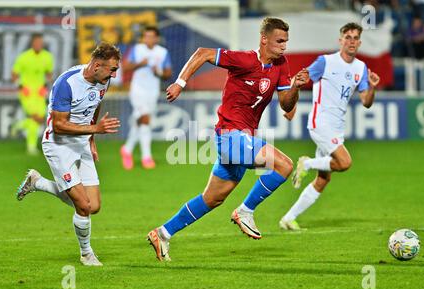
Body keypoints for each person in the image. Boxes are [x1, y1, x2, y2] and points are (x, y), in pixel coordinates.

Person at [147, 17, 308, 261]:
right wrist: (180, 83)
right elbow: (202, 53)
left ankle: (163, 233)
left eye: (286, 41)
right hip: (230, 136)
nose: (284, 46)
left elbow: (287, 104)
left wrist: (295, 86)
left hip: (241, 138)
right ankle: (245, 211)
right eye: (279, 41)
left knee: (212, 199)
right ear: (264, 39)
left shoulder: (281, 64)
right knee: (284, 165)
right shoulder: (244, 59)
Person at [15, 43, 121, 266]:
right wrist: (95, 130)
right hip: (59, 146)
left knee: (94, 206)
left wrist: (91, 140)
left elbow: (95, 105)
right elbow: (59, 126)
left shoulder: (104, 80)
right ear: (96, 65)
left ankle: (38, 183)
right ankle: (86, 254)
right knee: (83, 206)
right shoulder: (67, 84)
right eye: (112, 69)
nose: (115, 74)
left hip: (82, 143)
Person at [279, 22, 380, 231]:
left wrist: (371, 87)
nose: (351, 41)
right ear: (340, 40)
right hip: (320, 122)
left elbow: (366, 102)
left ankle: (288, 218)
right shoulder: (325, 62)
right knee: (344, 162)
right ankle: (307, 164)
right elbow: (301, 78)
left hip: (337, 127)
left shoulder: (361, 68)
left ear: (359, 42)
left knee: (323, 179)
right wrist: (291, 106)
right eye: (348, 37)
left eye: (355, 38)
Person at [120, 26, 173, 170]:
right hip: (138, 89)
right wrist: (139, 64)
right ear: (143, 38)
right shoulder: (137, 49)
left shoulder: (162, 52)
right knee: (145, 119)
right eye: (146, 36)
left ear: (156, 38)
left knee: (141, 120)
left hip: (153, 91)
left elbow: (168, 73)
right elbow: (124, 67)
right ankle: (146, 157)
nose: (148, 39)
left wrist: (159, 72)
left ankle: (127, 149)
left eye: (151, 36)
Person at [11, 33, 54, 155]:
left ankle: (18, 125)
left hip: (40, 93)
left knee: (39, 119)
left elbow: (49, 74)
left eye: (40, 43)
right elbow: (14, 75)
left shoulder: (47, 57)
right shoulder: (24, 57)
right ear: (32, 43)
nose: (38, 45)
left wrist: (45, 86)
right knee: (35, 117)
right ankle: (31, 147)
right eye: (36, 42)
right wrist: (21, 86)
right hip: (27, 92)